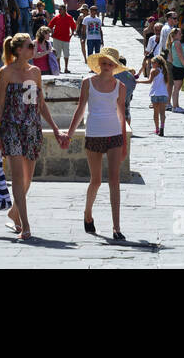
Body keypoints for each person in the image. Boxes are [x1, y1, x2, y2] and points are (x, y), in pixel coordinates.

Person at [0, 33, 66, 241]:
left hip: (32, 128)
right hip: (12, 127)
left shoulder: (35, 72)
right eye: (29, 46)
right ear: (18, 50)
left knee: (28, 179)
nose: (33, 49)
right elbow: (0, 104)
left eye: (33, 46)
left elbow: (41, 103)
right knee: (17, 177)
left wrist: (54, 128)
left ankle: (14, 211)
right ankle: (25, 225)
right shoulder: (5, 72)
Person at [63, 45, 129, 241]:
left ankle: (116, 227)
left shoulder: (120, 87)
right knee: (96, 180)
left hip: (114, 135)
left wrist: (124, 142)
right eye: (104, 63)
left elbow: (121, 114)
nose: (107, 66)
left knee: (115, 181)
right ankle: (87, 213)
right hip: (93, 134)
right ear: (99, 64)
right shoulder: (87, 82)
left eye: (110, 63)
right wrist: (69, 133)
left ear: (115, 66)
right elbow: (80, 109)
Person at [134, 54, 170, 135]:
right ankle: (162, 127)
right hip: (163, 93)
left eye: (153, 63)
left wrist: (139, 82)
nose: (151, 64)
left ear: (157, 63)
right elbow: (167, 83)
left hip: (155, 93)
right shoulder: (165, 71)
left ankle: (157, 129)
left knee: (155, 113)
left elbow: (149, 81)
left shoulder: (153, 71)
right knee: (162, 113)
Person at [166, 16, 184, 113]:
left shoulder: (172, 43)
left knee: (176, 88)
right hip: (179, 66)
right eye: (180, 33)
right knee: (176, 88)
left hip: (176, 66)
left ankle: (176, 106)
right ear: (176, 35)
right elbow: (180, 55)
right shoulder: (177, 43)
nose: (181, 35)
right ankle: (175, 106)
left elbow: (171, 58)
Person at [49, 5, 77, 74]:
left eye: (60, 9)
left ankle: (66, 68)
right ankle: (58, 67)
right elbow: (50, 25)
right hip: (57, 38)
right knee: (57, 54)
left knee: (66, 54)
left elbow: (73, 26)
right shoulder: (56, 17)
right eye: (59, 9)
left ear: (65, 10)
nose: (59, 11)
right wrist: (52, 33)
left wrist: (72, 34)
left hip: (66, 38)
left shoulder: (69, 17)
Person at [114, 56, 136, 125]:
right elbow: (133, 84)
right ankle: (128, 129)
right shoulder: (129, 75)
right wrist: (129, 93)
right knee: (127, 113)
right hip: (127, 96)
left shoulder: (114, 74)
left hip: (116, 97)